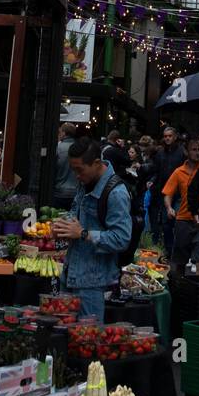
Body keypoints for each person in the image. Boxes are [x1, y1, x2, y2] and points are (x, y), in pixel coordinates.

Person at [53, 137, 132, 321]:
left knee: (88, 341)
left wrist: (83, 234)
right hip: (71, 274)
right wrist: (63, 224)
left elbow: (121, 238)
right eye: (73, 170)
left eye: (79, 170)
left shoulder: (116, 193)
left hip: (92, 284)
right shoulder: (85, 183)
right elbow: (75, 212)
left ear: (96, 163)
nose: (76, 176)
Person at [163, 137, 199, 276]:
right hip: (183, 220)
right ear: (186, 152)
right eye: (194, 150)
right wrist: (169, 208)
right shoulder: (178, 172)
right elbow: (168, 193)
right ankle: (180, 289)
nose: (198, 153)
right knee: (180, 261)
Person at [148, 125, 185, 254]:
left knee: (177, 222)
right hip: (164, 191)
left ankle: (178, 251)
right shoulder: (160, 153)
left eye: (170, 136)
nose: (167, 139)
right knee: (166, 222)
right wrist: (152, 181)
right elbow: (156, 170)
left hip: (179, 192)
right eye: (165, 136)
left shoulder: (182, 152)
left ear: (175, 137)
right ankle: (169, 251)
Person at [53, 124, 78, 209]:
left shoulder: (58, 147)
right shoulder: (79, 147)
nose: (59, 134)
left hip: (59, 191)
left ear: (64, 133)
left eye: (60, 132)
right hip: (76, 192)